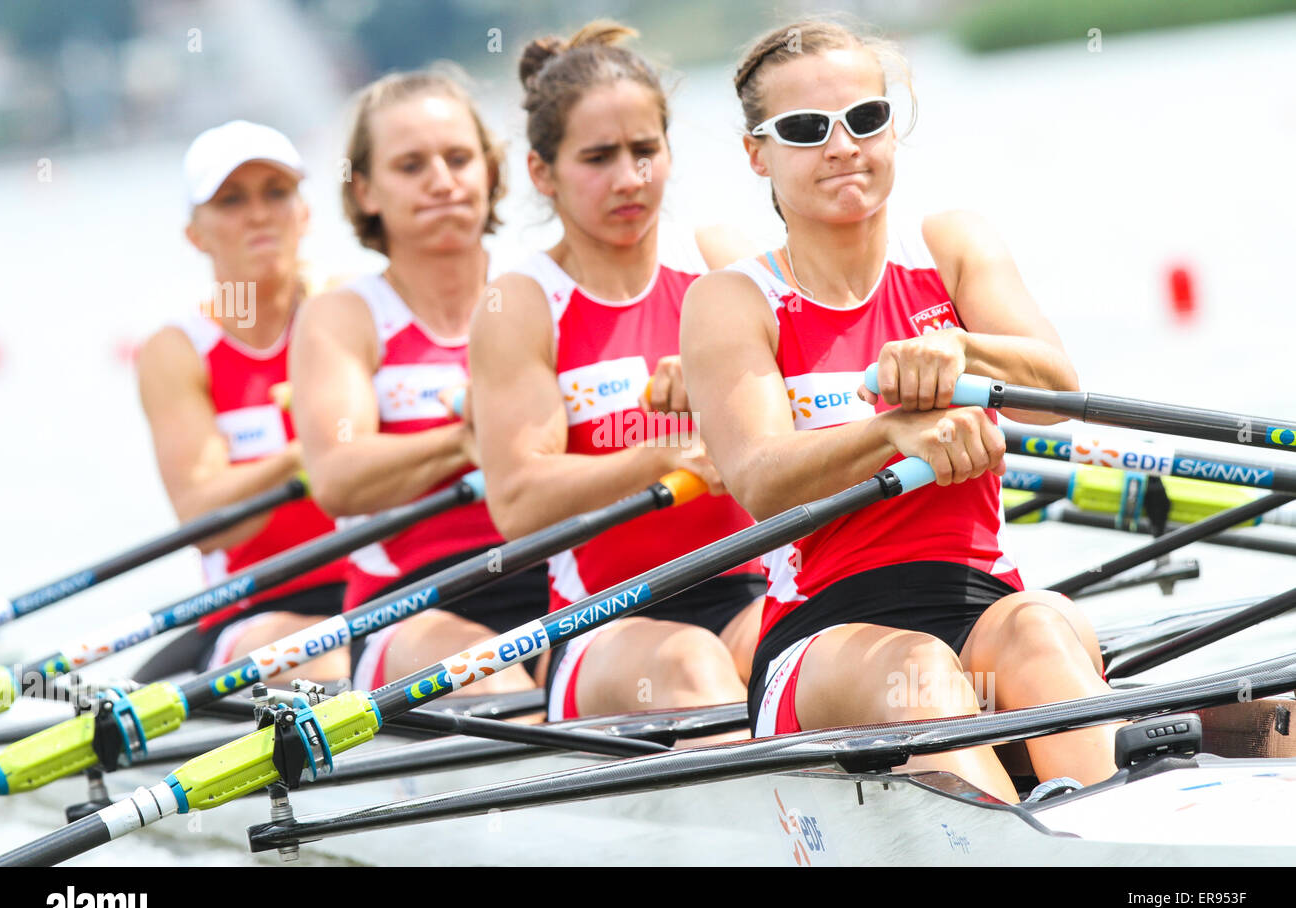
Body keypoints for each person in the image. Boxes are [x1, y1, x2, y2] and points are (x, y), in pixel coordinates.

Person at [679, 20, 1118, 803]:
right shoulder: (732, 301)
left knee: (1046, 624)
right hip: (822, 638)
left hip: (980, 603)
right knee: (921, 674)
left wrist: (964, 354)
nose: (844, 145)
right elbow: (759, 482)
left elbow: (1057, 388)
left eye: (866, 118)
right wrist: (890, 431)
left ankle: (1136, 855)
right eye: (807, 129)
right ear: (758, 154)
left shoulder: (949, 246)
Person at [470, 22, 761, 724]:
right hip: (602, 621)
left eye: (645, 150)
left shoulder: (717, 260)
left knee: (817, 640)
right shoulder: (520, 302)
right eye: (598, 157)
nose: (630, 179)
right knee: (692, 662)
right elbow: (517, 498)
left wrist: (721, 382)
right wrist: (658, 456)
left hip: (749, 587)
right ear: (543, 173)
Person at [289, 71, 543, 695]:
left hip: (559, 574)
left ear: (489, 172)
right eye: (411, 165)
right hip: (407, 604)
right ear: (367, 191)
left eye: (459, 158)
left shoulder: (540, 291)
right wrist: (463, 440)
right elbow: (338, 479)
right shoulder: (344, 316)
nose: (442, 180)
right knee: (498, 684)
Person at [135, 121, 348, 683]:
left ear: (304, 214)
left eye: (276, 193)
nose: (258, 214)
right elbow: (204, 520)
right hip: (251, 609)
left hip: (378, 586)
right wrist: (303, 454)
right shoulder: (178, 351)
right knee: (329, 660)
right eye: (231, 200)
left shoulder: (353, 314)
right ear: (195, 235)